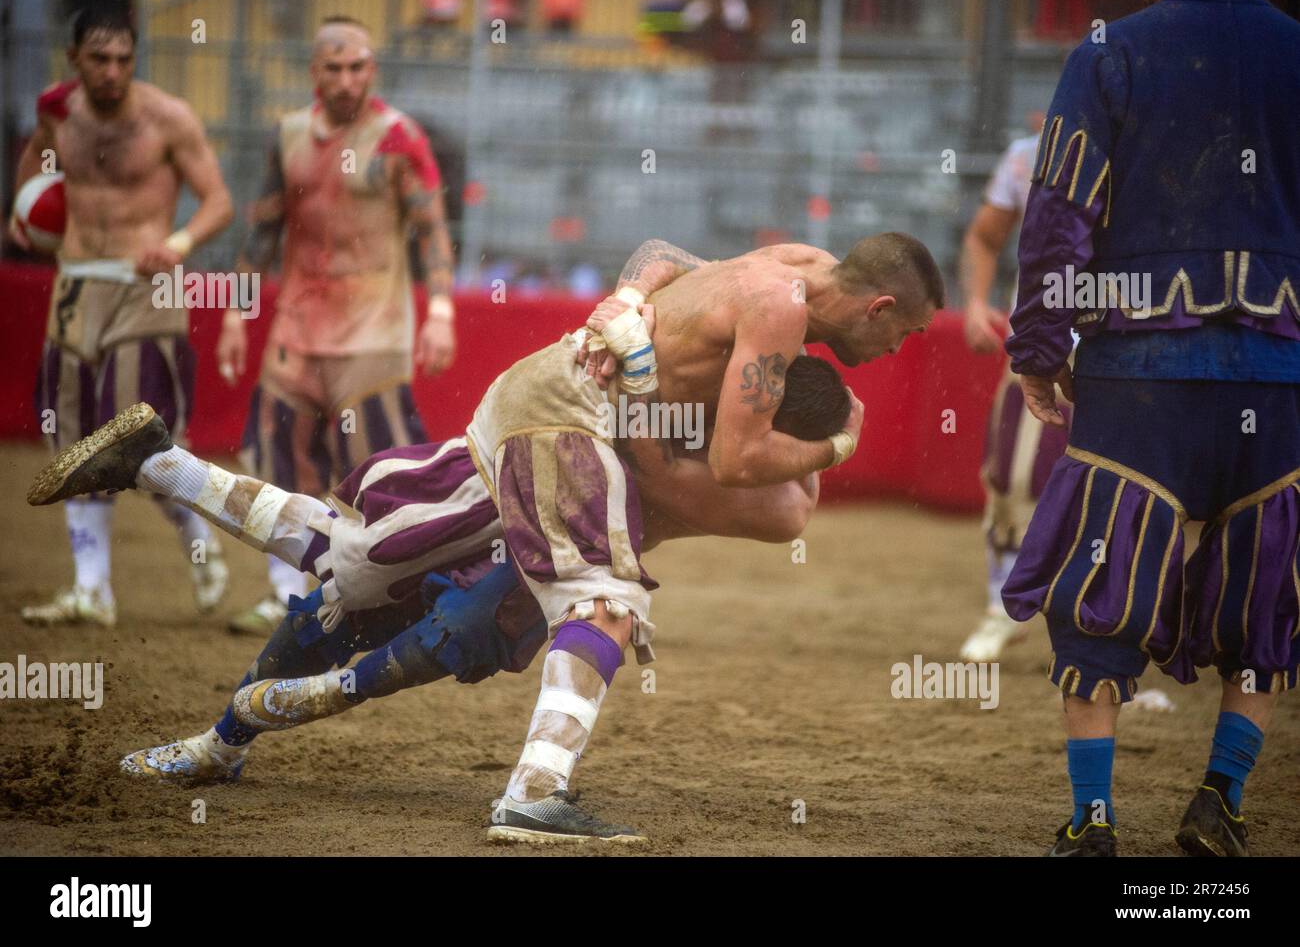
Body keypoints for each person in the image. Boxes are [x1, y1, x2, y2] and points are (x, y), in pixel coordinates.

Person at [30, 232, 944, 842]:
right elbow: (740, 462)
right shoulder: (775, 342)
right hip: (556, 451)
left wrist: (626, 309)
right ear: (874, 310)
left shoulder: (782, 279)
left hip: (529, 419)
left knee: (350, 558)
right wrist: (839, 439)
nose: (896, 352)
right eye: (901, 335)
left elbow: (666, 274)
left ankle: (163, 470)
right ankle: (532, 793)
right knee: (593, 602)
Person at [109, 355, 849, 838]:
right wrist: (841, 433)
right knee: (347, 572)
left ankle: (167, 471)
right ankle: (232, 729)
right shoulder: (750, 464)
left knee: (420, 612)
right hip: (497, 488)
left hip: (542, 537)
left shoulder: (734, 460)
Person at [998, 0, 1300, 857]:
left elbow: (1058, 215)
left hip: (1140, 376)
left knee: (1098, 593)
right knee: (1269, 596)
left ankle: (1094, 821)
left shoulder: (1111, 52)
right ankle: (1221, 799)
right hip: (1279, 378)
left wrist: (1040, 344)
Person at [218, 15, 457, 634]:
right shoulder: (289, 134)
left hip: (373, 332)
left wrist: (439, 312)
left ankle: (403, 593)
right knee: (275, 455)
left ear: (371, 71)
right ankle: (286, 595)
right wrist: (236, 315)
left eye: (358, 68)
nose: (347, 80)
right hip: (297, 328)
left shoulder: (400, 137)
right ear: (314, 72)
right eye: (335, 68)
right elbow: (264, 227)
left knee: (379, 469)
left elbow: (432, 229)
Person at [9, 7, 233, 628]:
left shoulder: (168, 117)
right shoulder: (57, 110)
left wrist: (180, 246)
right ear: (74, 58)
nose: (112, 72)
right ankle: (92, 589)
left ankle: (200, 538)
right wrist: (24, 216)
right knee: (75, 440)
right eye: (99, 59)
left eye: (123, 59)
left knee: (136, 439)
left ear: (136, 59)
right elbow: (34, 167)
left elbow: (218, 199)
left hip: (147, 286)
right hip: (77, 282)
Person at [958, 125, 1073, 662]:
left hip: (1128, 336)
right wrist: (977, 302)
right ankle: (1002, 604)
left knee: (1127, 483)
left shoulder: (1148, 149)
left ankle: (1121, 637)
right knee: (1012, 471)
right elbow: (985, 235)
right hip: (1039, 335)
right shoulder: (1028, 158)